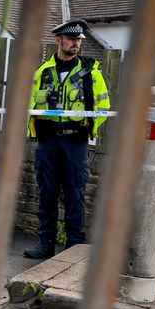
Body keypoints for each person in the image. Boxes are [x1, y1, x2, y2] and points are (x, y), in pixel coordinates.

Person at [23, 19, 111, 259]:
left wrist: (85, 129)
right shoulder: (43, 72)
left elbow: (103, 106)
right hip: (48, 141)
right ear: (58, 40)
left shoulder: (90, 72)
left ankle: (74, 249)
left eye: (79, 40)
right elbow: (30, 105)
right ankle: (46, 244)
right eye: (72, 39)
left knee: (75, 194)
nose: (76, 43)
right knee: (46, 193)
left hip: (75, 142)